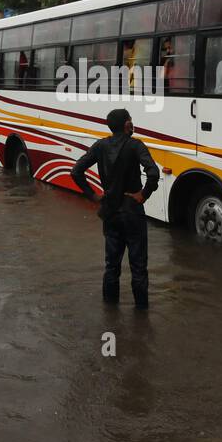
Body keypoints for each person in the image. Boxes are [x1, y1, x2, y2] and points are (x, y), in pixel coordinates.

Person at [71, 108, 160, 310]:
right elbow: (153, 173)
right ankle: (141, 315)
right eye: (131, 119)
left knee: (111, 265)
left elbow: (76, 171)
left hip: (110, 212)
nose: (133, 122)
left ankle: (110, 312)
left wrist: (93, 196)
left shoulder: (100, 146)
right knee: (138, 267)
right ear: (127, 125)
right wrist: (143, 194)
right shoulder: (135, 145)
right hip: (132, 213)